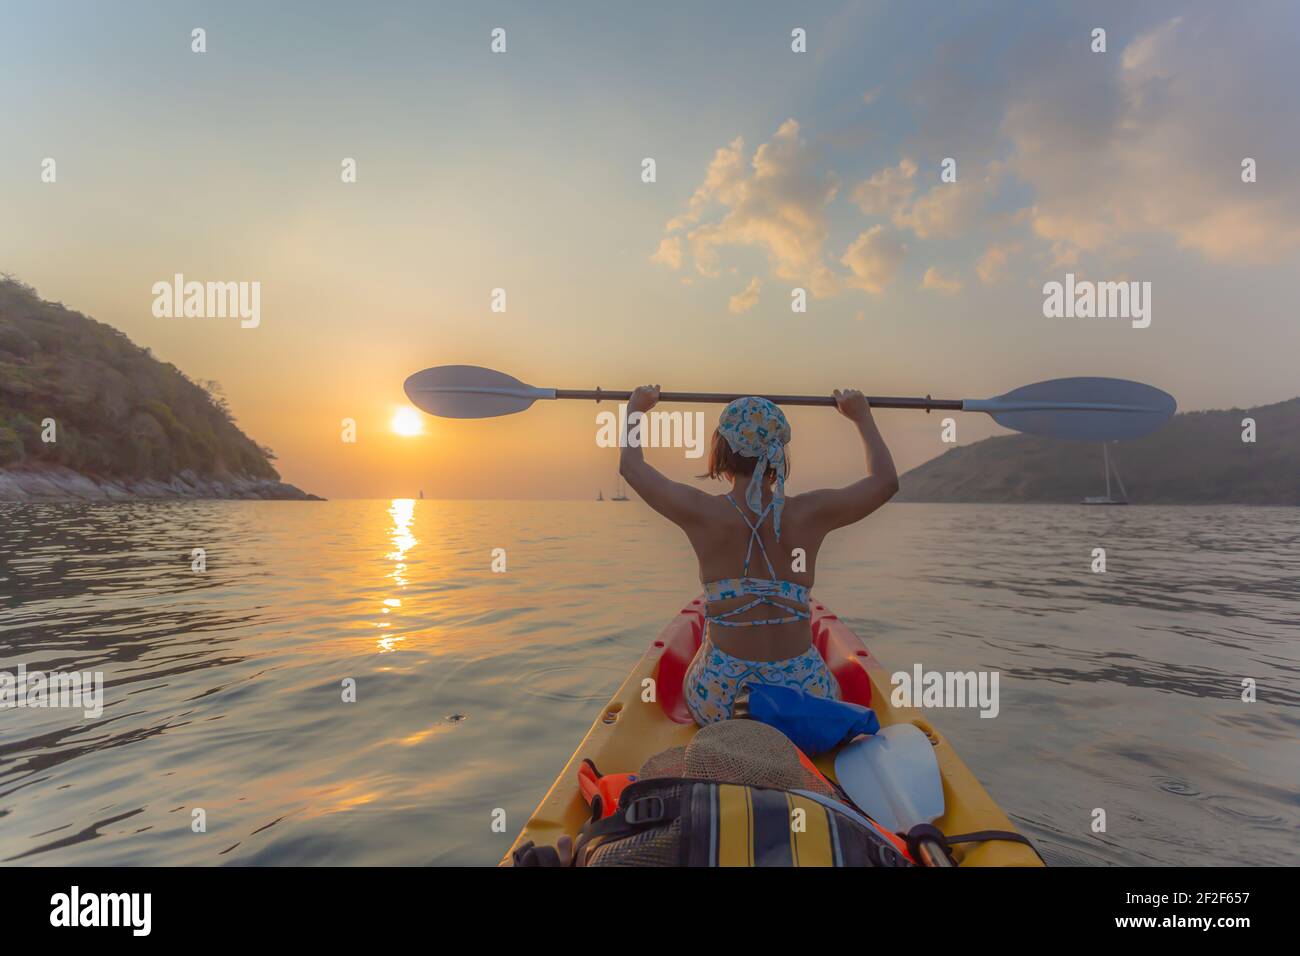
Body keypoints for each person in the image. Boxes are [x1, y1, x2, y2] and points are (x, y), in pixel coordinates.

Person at [619, 385, 899, 725]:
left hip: (726, 702)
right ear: (778, 454)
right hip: (806, 695)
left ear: (721, 450)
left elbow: (631, 467)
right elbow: (885, 482)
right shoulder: (811, 512)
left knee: (705, 658)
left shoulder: (702, 512)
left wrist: (636, 408)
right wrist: (861, 415)